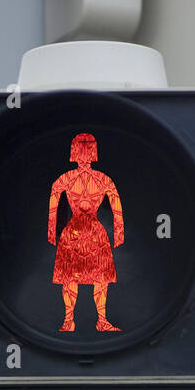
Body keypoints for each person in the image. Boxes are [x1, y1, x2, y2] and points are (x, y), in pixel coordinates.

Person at [48, 132, 124, 333]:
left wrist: (119, 232)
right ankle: (68, 320)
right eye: (80, 148)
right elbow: (53, 205)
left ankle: (101, 319)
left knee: (100, 279)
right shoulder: (66, 179)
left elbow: (116, 206)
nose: (83, 154)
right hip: (72, 233)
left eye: (86, 148)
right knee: (70, 279)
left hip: (94, 233)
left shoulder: (102, 179)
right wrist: (51, 231)